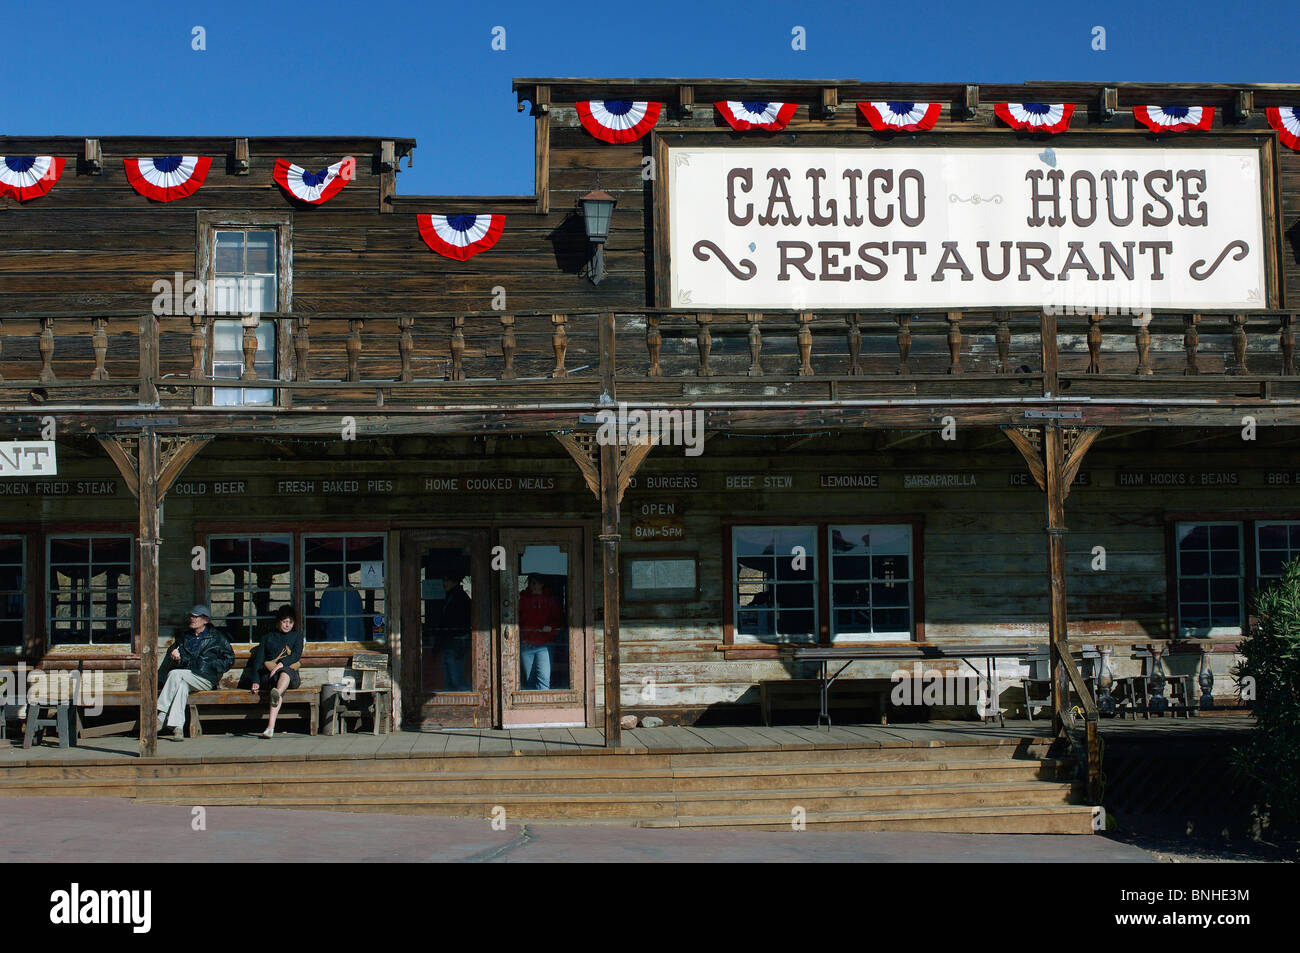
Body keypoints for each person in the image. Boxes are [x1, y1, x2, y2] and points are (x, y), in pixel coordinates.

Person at [156, 605, 234, 741]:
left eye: (196, 616)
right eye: (191, 616)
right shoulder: (184, 637)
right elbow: (183, 663)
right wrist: (177, 657)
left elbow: (229, 659)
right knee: (181, 687)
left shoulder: (217, 637)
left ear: (205, 620)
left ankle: (161, 714)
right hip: (188, 676)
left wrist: (210, 666)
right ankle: (178, 728)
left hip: (206, 678)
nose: (192, 619)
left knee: (175, 674)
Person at [249, 604, 304, 738]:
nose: (287, 625)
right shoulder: (267, 638)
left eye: (290, 622)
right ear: (278, 622)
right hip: (270, 676)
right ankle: (270, 727)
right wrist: (255, 681)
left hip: (290, 676)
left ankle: (276, 697)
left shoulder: (297, 637)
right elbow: (258, 661)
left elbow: (296, 655)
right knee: (279, 684)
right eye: (284, 621)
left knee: (285, 673)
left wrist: (280, 664)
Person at [518, 575, 564, 691]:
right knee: (530, 680)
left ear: (541, 584)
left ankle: (544, 708)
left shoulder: (550, 600)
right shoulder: (522, 599)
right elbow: (515, 618)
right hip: (526, 643)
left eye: (535, 583)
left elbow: (559, 620)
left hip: (545, 644)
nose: (532, 586)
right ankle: (530, 708)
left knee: (543, 679)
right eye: (530, 583)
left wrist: (551, 627)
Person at [434, 574, 473, 691]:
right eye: (443, 580)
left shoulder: (460, 598)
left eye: (447, 580)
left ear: (455, 582)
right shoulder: (451, 597)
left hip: (456, 643)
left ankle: (471, 700)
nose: (444, 583)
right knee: (449, 682)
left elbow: (457, 622)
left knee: (457, 681)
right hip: (450, 643)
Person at [317, 568, 366, 641]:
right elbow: (360, 614)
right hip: (356, 637)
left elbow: (324, 617)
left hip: (334, 637)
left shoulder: (330, 592)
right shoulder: (354, 591)